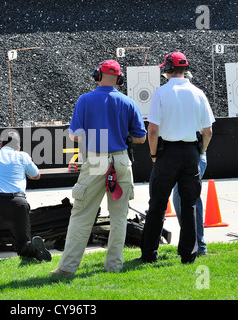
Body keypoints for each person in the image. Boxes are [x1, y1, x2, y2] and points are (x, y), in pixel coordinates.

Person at [50, 60, 146, 275]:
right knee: (119, 218)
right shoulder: (128, 102)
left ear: (97, 75)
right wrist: (121, 136)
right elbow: (140, 138)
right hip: (121, 161)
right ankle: (114, 267)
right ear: (119, 79)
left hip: (95, 159)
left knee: (82, 215)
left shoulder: (85, 100)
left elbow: (75, 135)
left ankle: (67, 269)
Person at [139, 51, 214, 264]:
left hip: (167, 153)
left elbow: (152, 130)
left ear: (168, 70)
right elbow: (207, 131)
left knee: (158, 204)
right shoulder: (198, 93)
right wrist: (199, 151)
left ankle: (149, 254)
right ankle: (189, 255)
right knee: (189, 204)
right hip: (191, 152)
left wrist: (154, 154)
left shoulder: (161, 93)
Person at [0, 130, 51, 262]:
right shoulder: (22, 156)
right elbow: (36, 175)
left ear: (1, 144)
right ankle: (32, 247)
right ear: (18, 147)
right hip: (18, 204)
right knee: (22, 247)